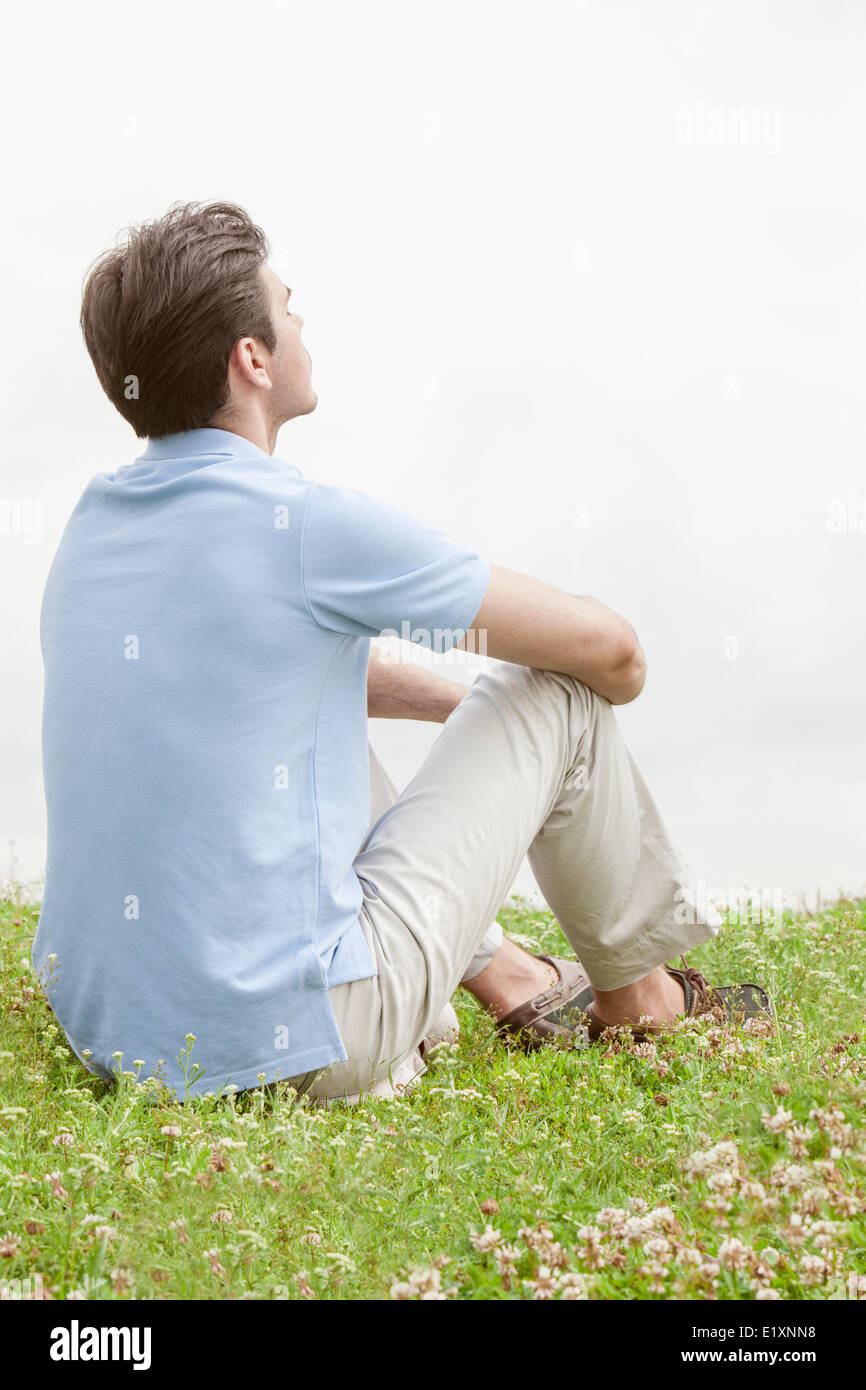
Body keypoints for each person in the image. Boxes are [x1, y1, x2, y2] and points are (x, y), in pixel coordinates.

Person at [31, 201, 770, 1105]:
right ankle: (642, 1005)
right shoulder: (301, 524)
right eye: (287, 304)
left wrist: (476, 730)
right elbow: (610, 653)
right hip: (299, 1048)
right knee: (561, 697)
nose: (300, 319)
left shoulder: (93, 529)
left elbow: (261, 673)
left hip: (121, 1039)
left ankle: (509, 979)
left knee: (311, 715)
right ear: (252, 358)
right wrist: (528, 726)